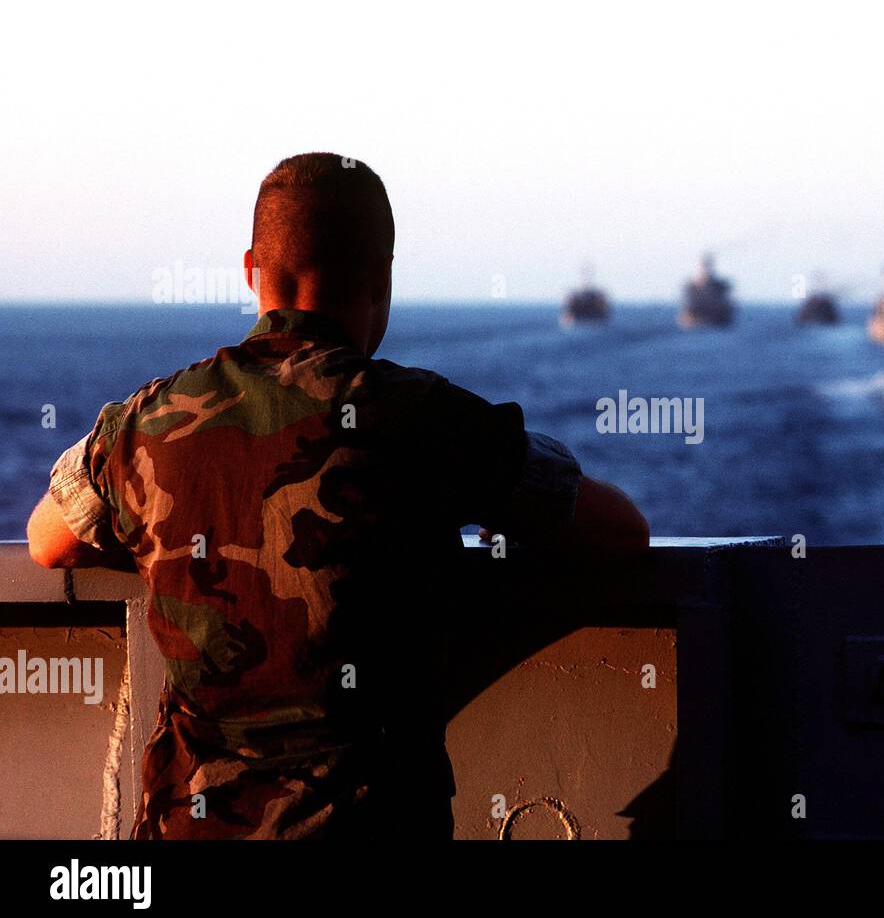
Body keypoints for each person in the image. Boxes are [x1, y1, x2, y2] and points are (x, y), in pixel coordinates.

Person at [25, 152, 649, 839]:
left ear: (250, 271)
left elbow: (47, 540)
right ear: (381, 276)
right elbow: (620, 530)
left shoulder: (149, 420)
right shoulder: (425, 418)